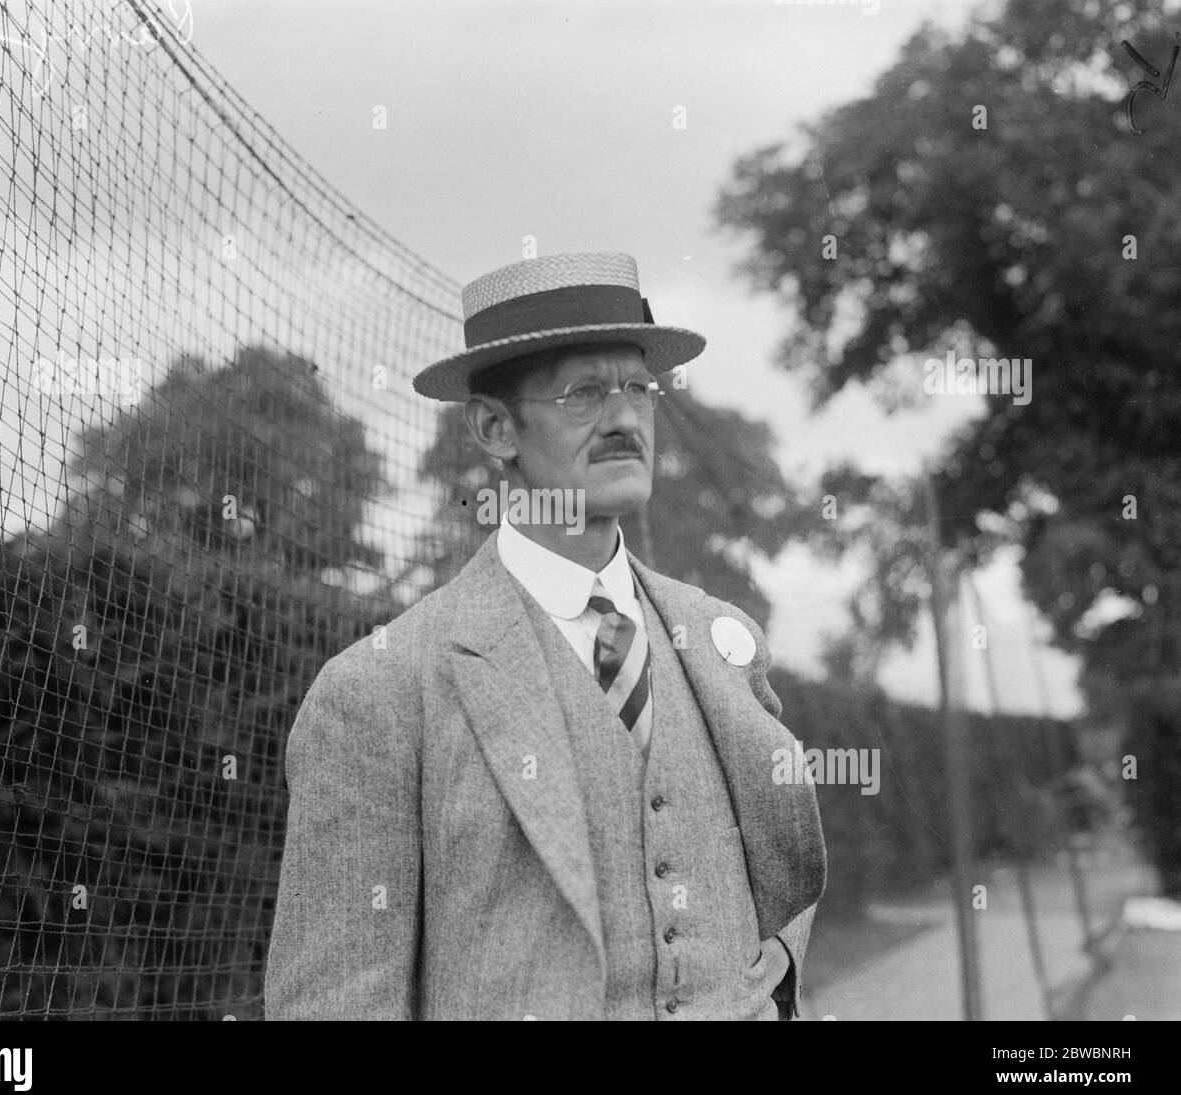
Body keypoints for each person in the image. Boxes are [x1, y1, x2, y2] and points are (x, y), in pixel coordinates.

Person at [265, 251, 826, 1020]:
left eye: (638, 388)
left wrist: (783, 957)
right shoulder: (381, 690)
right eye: (584, 393)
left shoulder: (723, 639)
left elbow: (781, 847)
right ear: (496, 427)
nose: (626, 418)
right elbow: (336, 1002)